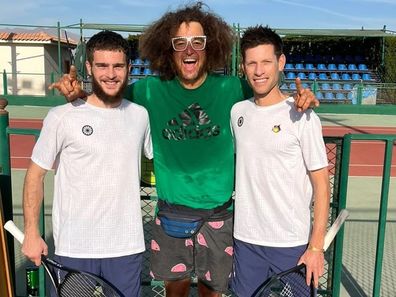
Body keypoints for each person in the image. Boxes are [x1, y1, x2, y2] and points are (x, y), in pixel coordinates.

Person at [49, 3, 319, 296]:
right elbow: (104, 97)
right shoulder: (148, 91)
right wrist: (78, 92)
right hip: (171, 216)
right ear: (169, 49)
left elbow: (268, 97)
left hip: (220, 217)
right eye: (180, 43)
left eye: (198, 42)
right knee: (174, 290)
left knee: (212, 291)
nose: (189, 50)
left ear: (209, 47)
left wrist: (299, 98)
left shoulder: (232, 88)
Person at [22, 30, 152, 297]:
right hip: (74, 249)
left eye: (118, 66)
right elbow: (35, 175)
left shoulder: (140, 115)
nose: (111, 74)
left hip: (126, 248)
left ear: (129, 68)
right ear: (89, 67)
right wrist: (32, 233)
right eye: (102, 66)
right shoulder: (61, 117)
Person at [230, 25, 330, 297]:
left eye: (266, 62)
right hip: (246, 241)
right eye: (252, 63)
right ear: (244, 66)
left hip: (292, 244)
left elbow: (322, 185)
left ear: (280, 62)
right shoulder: (237, 112)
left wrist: (315, 247)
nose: (259, 71)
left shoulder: (303, 115)